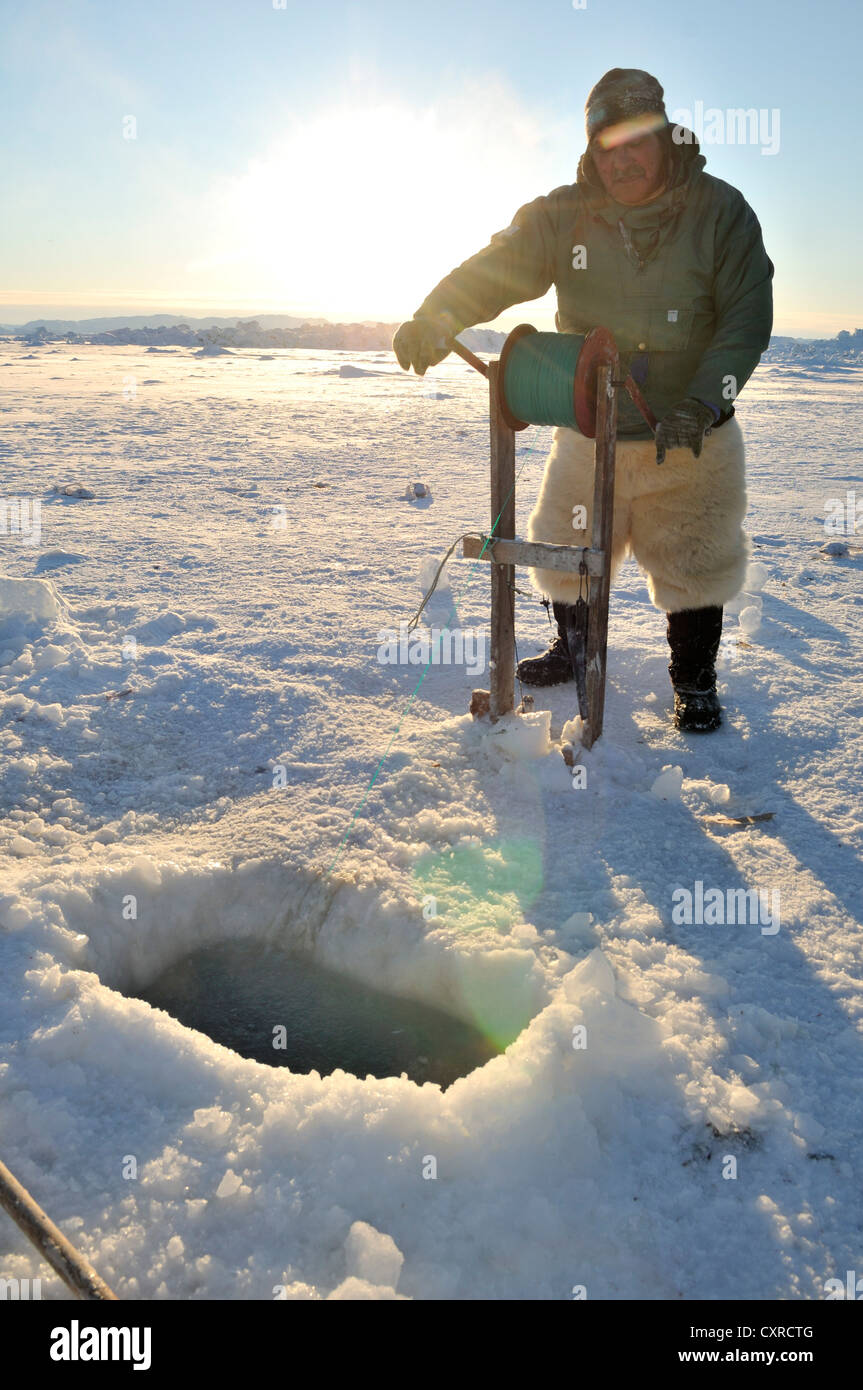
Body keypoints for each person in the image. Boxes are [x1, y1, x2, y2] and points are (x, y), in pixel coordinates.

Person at [393, 68, 774, 732]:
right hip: (589, 427)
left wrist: (702, 403)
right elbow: (500, 264)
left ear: (662, 138)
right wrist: (437, 314)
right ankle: (573, 652)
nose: (621, 160)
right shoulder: (564, 214)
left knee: (693, 561)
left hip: (688, 436)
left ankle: (693, 679)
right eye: (607, 147)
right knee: (561, 550)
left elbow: (744, 314)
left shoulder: (721, 211)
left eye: (635, 143)